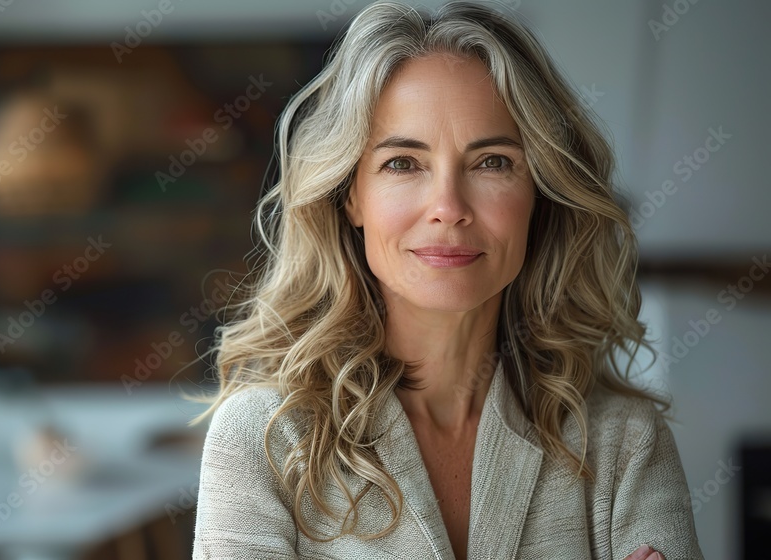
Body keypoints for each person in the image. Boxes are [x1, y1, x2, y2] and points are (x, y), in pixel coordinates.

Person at [187, 1, 704, 558]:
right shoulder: (262, 439)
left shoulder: (625, 441)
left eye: (493, 162)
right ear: (350, 196)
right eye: (403, 163)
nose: (448, 207)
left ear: (541, 193)